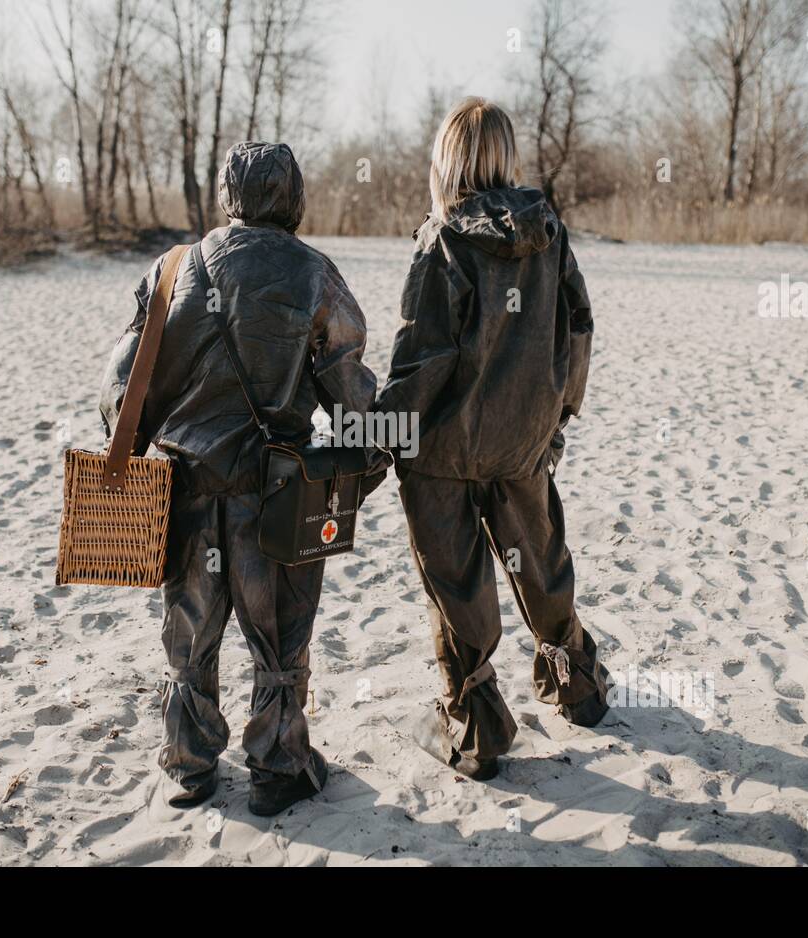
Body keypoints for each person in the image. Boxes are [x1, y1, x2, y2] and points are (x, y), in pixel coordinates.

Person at [99, 142, 381, 816]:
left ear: (228, 195)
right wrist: (364, 467)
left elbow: (119, 388)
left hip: (187, 487)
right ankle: (277, 766)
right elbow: (350, 387)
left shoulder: (172, 269)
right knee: (280, 634)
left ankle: (191, 766)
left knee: (189, 631)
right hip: (275, 489)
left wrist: (137, 448)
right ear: (294, 198)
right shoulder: (313, 272)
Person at [374, 97, 610, 782]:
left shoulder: (443, 238)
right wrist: (558, 417)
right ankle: (580, 689)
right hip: (521, 445)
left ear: (447, 158)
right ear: (505, 156)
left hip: (444, 455)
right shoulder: (547, 232)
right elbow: (579, 326)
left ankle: (476, 730)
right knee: (541, 564)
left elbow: (421, 364)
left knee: (458, 588)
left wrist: (379, 435)